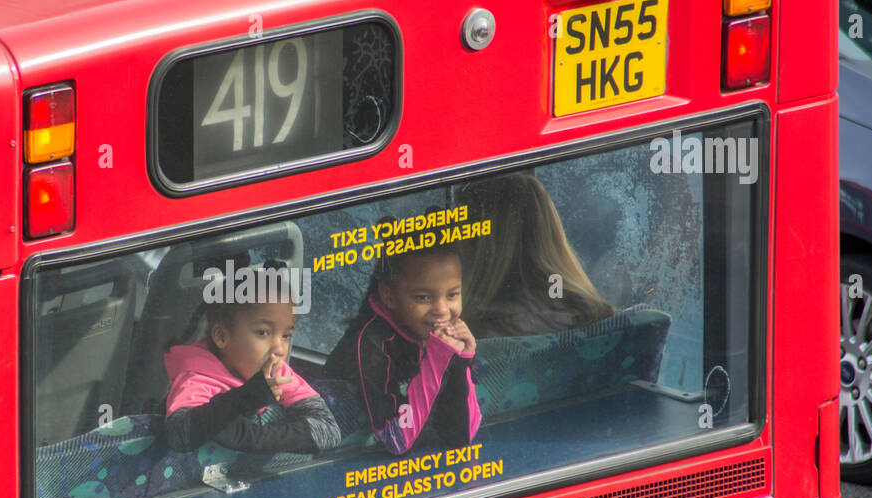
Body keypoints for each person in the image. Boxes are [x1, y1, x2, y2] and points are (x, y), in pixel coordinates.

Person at [324, 228, 480, 456]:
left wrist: (462, 361)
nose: (442, 310)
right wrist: (437, 359)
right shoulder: (371, 346)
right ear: (389, 296)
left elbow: (462, 433)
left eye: (452, 295)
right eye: (423, 297)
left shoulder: (438, 338)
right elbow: (397, 439)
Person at [163, 267, 340, 455]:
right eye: (263, 333)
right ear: (222, 336)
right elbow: (179, 435)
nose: (280, 349)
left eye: (286, 335)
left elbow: (328, 430)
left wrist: (253, 438)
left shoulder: (276, 372)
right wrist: (244, 398)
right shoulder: (198, 378)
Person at [457, 172, 615, 337]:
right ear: (550, 231)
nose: (457, 244)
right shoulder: (600, 318)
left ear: (481, 245)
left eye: (464, 231)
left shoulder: (466, 337)